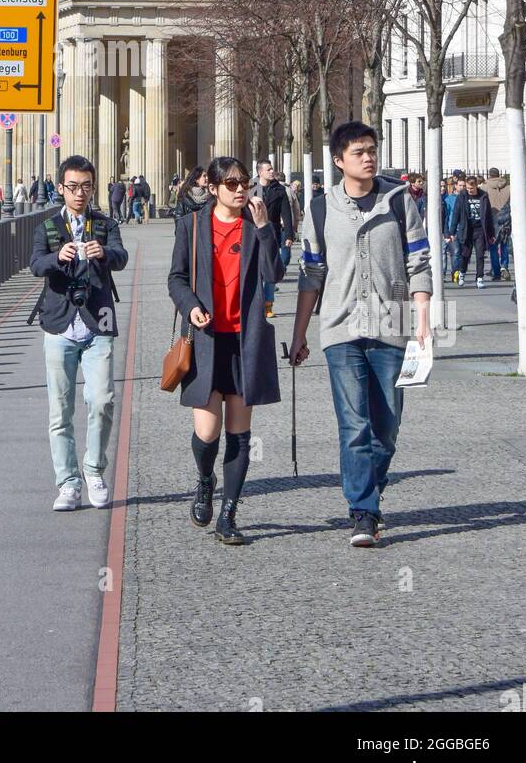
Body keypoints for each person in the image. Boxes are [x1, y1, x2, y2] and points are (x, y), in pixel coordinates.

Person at [290, 121, 431, 548]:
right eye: (358, 152)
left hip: (393, 325)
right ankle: (364, 512)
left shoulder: (399, 200)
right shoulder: (320, 208)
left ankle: (372, 482)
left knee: (386, 425)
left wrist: (423, 320)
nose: (368, 157)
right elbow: (311, 274)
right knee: (354, 423)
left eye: (371, 150)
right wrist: (299, 335)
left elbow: (418, 261)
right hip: (340, 329)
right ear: (338, 161)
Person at [168, 156, 282, 546]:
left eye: (244, 183)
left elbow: (274, 273)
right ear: (212, 187)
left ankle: (229, 515)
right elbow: (176, 277)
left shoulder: (256, 226)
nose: (239, 190)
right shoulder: (192, 225)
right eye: (231, 184)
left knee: (240, 433)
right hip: (206, 339)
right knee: (207, 432)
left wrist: (266, 229)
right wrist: (191, 305)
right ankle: (205, 480)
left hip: (244, 339)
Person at [29, 155, 128, 511]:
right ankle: (68, 482)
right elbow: (35, 264)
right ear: (60, 188)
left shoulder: (104, 224)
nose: (80, 193)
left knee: (102, 401)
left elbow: (121, 256)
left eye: (86, 186)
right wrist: (59, 257)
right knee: (60, 410)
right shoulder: (49, 228)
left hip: (97, 322)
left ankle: (94, 470)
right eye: (72, 186)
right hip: (59, 325)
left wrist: (104, 254)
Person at [252, 159, 295, 318]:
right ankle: (255, 303)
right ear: (260, 172)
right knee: (255, 271)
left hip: (273, 234)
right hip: (253, 234)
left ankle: (268, 304)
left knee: (270, 271)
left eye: (272, 169)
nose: (272, 172)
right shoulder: (251, 188)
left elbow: (286, 213)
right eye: (268, 169)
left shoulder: (279, 189)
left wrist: (289, 234)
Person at [451, 176, 495, 287]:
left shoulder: (483, 196)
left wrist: (491, 234)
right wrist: (452, 232)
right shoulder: (462, 196)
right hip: (467, 229)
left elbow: (488, 215)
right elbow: (456, 214)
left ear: (476, 185)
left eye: (472, 188)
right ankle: (462, 272)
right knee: (466, 254)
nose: (470, 190)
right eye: (468, 188)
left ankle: (479, 277)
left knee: (480, 254)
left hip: (480, 229)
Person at [484, 167, 511, 280]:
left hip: (491, 219)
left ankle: (496, 271)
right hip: (506, 219)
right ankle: (504, 266)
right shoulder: (509, 188)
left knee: (493, 247)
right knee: (504, 245)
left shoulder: (484, 188)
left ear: (489, 175)